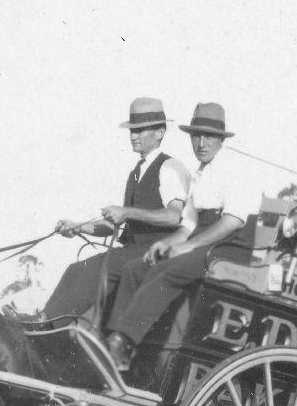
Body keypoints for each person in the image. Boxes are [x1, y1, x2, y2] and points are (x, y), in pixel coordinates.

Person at [103, 102, 246, 370]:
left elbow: (232, 221)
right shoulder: (201, 173)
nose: (201, 143)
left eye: (209, 136)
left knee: (169, 269)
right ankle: (118, 346)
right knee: (137, 267)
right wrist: (167, 242)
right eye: (196, 136)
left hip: (229, 245)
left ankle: (124, 340)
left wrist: (187, 248)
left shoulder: (235, 169)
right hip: (203, 237)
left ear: (221, 139)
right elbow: (189, 223)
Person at [40, 97, 192, 323]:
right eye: (132, 130)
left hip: (157, 250)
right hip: (133, 248)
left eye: (140, 130)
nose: (133, 136)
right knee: (75, 269)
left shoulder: (168, 168)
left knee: (99, 268)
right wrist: (79, 227)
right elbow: (117, 224)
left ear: (160, 132)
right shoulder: (137, 171)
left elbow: (174, 216)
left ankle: (47, 323)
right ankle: (45, 319)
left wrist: (127, 212)